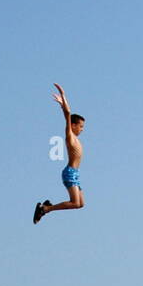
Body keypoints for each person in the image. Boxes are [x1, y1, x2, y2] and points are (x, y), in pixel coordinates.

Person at [33, 83, 85, 222]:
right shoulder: (70, 136)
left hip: (76, 173)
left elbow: (67, 116)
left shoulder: (76, 138)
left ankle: (47, 207)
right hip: (70, 172)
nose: (82, 129)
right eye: (80, 126)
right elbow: (68, 115)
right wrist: (63, 99)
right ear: (73, 126)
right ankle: (45, 209)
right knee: (74, 202)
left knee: (80, 204)